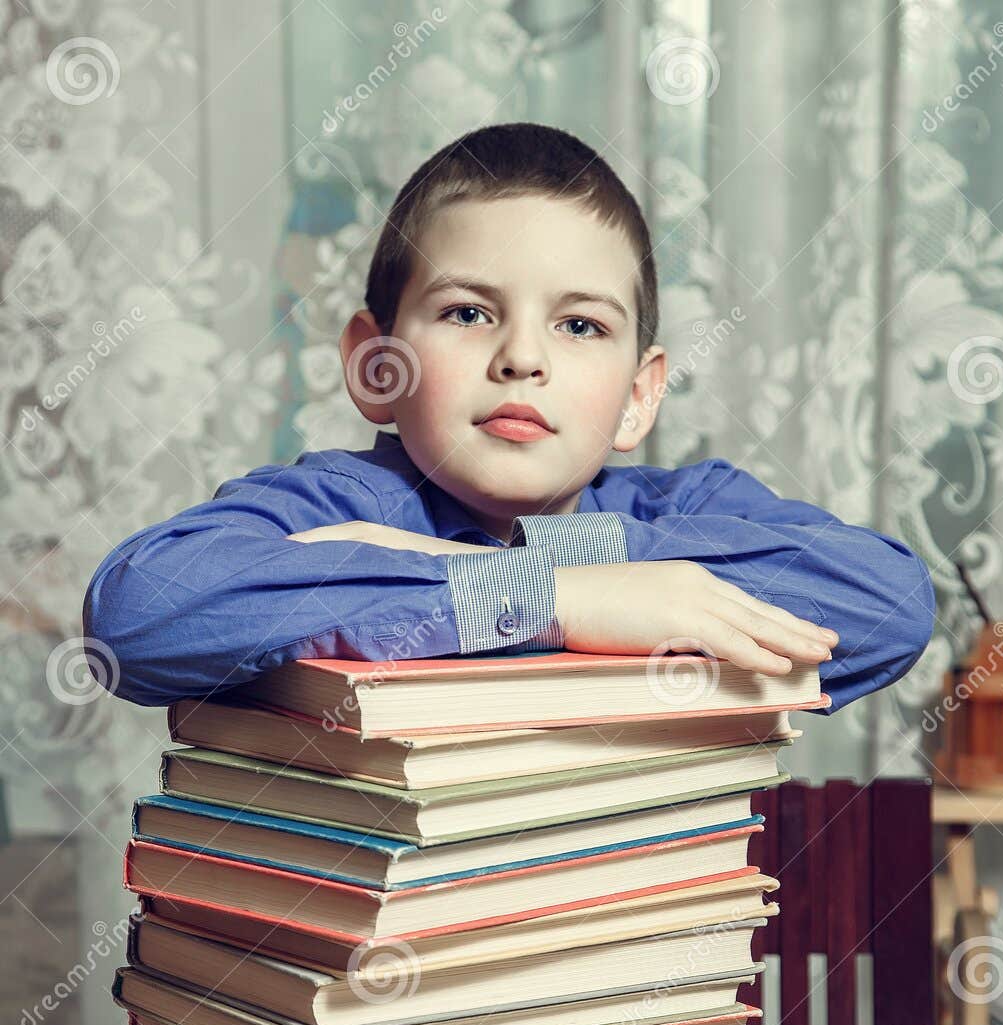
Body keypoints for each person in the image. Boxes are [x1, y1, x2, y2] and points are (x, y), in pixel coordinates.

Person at [83, 122, 934, 712]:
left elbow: (887, 606)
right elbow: (137, 616)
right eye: (466, 313)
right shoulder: (339, 509)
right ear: (376, 366)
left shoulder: (682, 511)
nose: (522, 358)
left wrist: (576, 560)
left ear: (640, 395)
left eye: (579, 325)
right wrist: (555, 599)